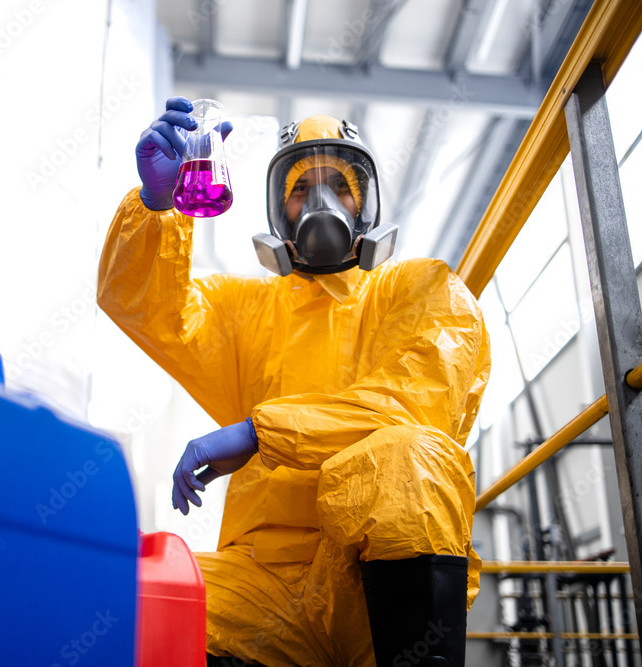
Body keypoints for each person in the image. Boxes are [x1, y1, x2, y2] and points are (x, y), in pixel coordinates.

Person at [97, 97, 490, 667]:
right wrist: (156, 210)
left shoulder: (421, 291)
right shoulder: (246, 310)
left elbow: (412, 405)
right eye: (302, 189)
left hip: (368, 586)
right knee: (133, 599)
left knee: (409, 457)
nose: (321, 202)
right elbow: (146, 305)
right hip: (259, 584)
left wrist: (260, 433)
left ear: (366, 205)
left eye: (339, 186)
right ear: (280, 211)